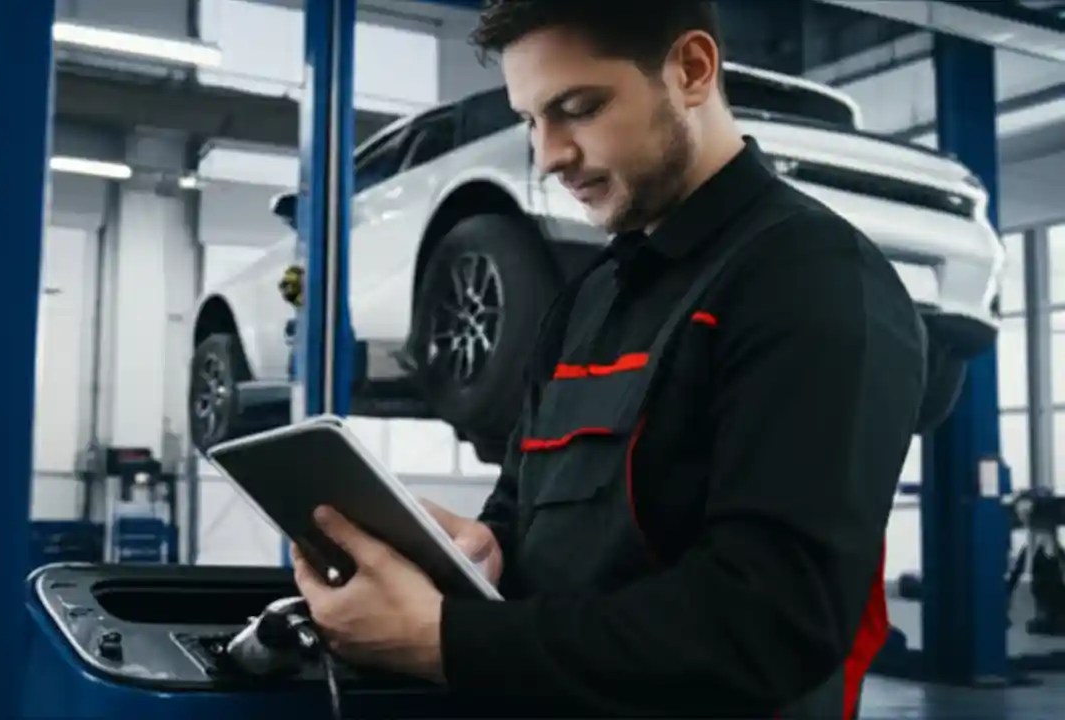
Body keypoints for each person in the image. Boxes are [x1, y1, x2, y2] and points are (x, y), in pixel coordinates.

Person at [290, 1, 926, 717]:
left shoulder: (812, 281)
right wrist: (482, 548)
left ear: (691, 69)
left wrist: (446, 639)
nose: (547, 154)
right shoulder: (589, 300)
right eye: (531, 120)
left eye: (578, 108)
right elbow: (519, 509)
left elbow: (771, 625)